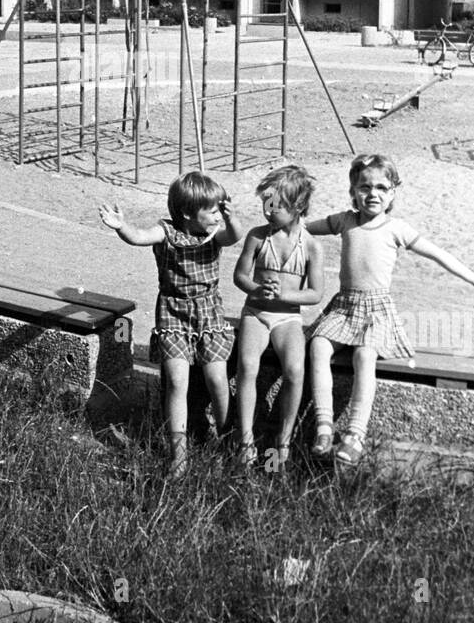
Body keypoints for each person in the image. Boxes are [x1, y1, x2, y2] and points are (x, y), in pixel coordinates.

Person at [306, 153, 474, 466]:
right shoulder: (344, 221)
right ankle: (324, 426)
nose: (373, 193)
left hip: (376, 310)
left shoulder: (397, 228)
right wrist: (276, 227)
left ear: (392, 193)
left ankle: (355, 434)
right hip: (343, 306)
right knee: (318, 345)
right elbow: (303, 229)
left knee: (364, 355)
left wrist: (472, 276)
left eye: (381, 187)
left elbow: (437, 254)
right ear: (353, 190)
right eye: (364, 186)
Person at [100, 171, 243, 478]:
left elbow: (234, 236)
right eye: (213, 210)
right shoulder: (165, 231)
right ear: (189, 213)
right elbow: (138, 237)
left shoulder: (214, 233)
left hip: (209, 312)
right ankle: (179, 455)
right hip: (173, 313)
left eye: (220, 208)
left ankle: (229, 441)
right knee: (177, 382)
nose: (218, 215)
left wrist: (230, 219)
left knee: (217, 378)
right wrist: (121, 226)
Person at [233, 165, 324, 468]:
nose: (268, 211)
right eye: (265, 203)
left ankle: (281, 441)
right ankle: (245, 438)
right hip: (256, 313)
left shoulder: (310, 245)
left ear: (298, 207)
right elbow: (240, 276)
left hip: (288, 317)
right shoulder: (258, 237)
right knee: (247, 365)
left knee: (295, 370)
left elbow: (314, 293)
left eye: (276, 205)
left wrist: (285, 296)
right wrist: (257, 290)